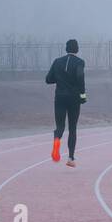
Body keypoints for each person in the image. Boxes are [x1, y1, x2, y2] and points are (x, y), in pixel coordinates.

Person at [46, 39, 86, 167]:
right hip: (74, 99)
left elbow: (48, 79)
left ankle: (56, 143)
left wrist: (59, 79)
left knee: (60, 127)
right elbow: (80, 78)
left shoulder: (57, 62)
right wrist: (83, 96)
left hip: (60, 97)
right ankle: (70, 158)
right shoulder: (80, 62)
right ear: (77, 49)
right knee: (72, 128)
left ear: (66, 49)